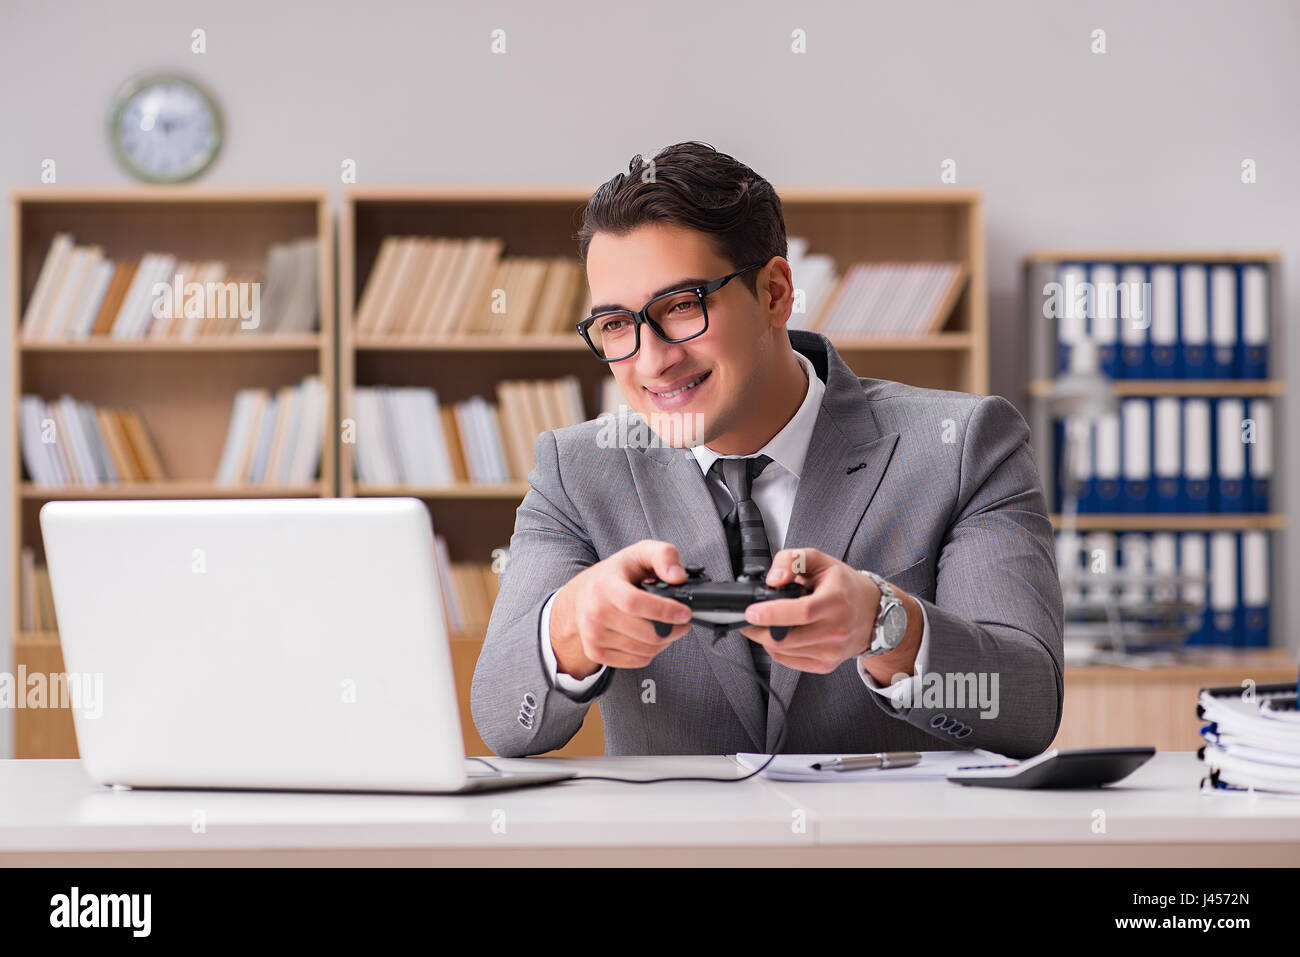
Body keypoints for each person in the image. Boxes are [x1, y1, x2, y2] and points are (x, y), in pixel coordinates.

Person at [471, 141, 1063, 758]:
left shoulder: (963, 446)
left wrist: (887, 625)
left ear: (776, 293)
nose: (651, 360)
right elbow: (502, 718)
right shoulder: (577, 471)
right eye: (616, 324)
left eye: (681, 307)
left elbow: (1026, 708)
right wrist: (572, 625)